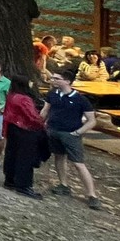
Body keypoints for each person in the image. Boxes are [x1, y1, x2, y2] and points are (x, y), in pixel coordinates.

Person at [41, 72, 102, 210]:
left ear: (67, 81)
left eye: (57, 78)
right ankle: (63, 184)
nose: (53, 80)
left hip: (71, 134)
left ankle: (92, 195)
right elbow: (45, 111)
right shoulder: (52, 94)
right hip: (53, 131)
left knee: (78, 164)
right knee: (59, 157)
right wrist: (41, 124)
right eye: (53, 78)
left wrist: (78, 132)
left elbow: (92, 121)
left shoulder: (81, 100)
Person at [1, 75, 46, 199]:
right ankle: (24, 185)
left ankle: (9, 180)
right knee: (25, 158)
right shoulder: (24, 99)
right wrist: (42, 124)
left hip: (12, 128)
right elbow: (31, 116)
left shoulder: (11, 95)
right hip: (25, 130)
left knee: (12, 154)